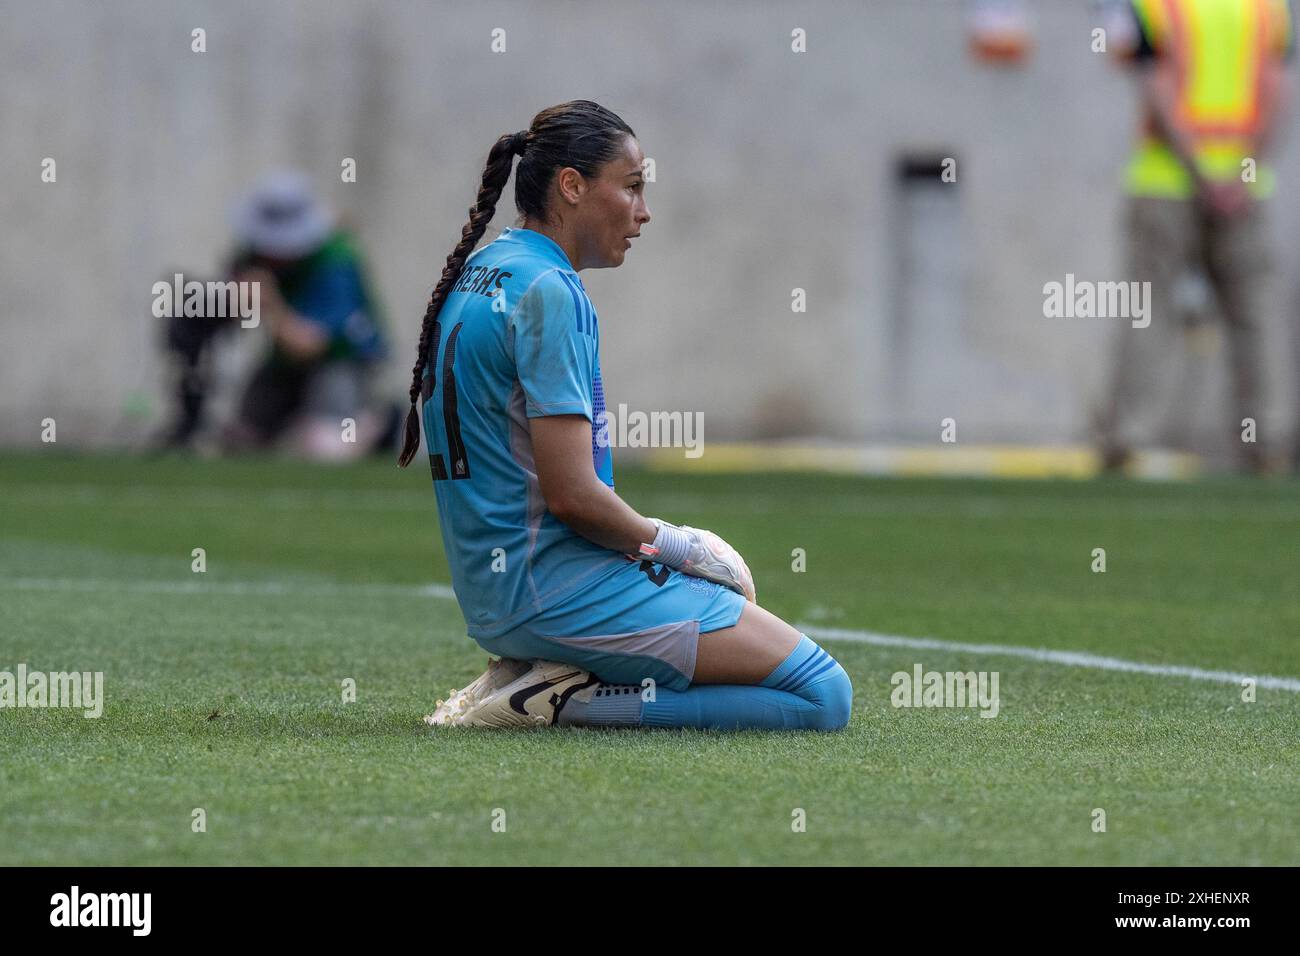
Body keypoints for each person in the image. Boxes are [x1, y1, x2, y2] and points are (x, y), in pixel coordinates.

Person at [398, 100, 852, 731]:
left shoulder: (483, 269)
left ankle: (547, 671)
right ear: (573, 186)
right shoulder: (551, 292)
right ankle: (568, 702)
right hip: (559, 590)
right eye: (632, 187)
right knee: (822, 694)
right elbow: (573, 498)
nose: (644, 212)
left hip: (494, 595)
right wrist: (680, 548)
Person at [1098, 0, 1292, 475]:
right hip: (1244, 186)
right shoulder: (1268, 8)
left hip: (1167, 179)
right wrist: (1246, 168)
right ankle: (1266, 442)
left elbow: (1156, 87)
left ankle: (1127, 439)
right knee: (1256, 316)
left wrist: (1200, 170)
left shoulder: (1160, 7)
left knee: (1149, 310)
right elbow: (1277, 89)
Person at [224, 170, 392, 459]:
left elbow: (312, 344)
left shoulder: (336, 262)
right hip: (284, 361)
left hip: (339, 359)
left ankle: (380, 423)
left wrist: (270, 304)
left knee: (329, 448)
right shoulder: (253, 255)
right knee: (244, 437)